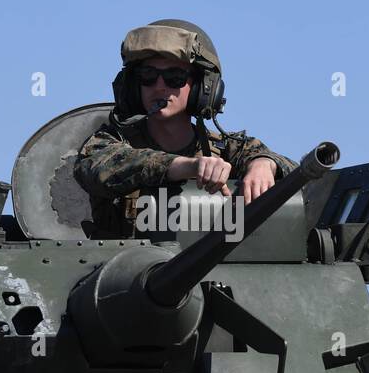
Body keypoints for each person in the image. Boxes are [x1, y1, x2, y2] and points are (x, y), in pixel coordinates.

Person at [73, 19, 296, 238]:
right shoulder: (112, 141)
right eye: (148, 76)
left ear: (204, 89)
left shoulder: (223, 149)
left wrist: (264, 165)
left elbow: (298, 176)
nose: (159, 86)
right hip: (124, 270)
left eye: (175, 77)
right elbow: (93, 168)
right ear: (132, 85)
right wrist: (187, 166)